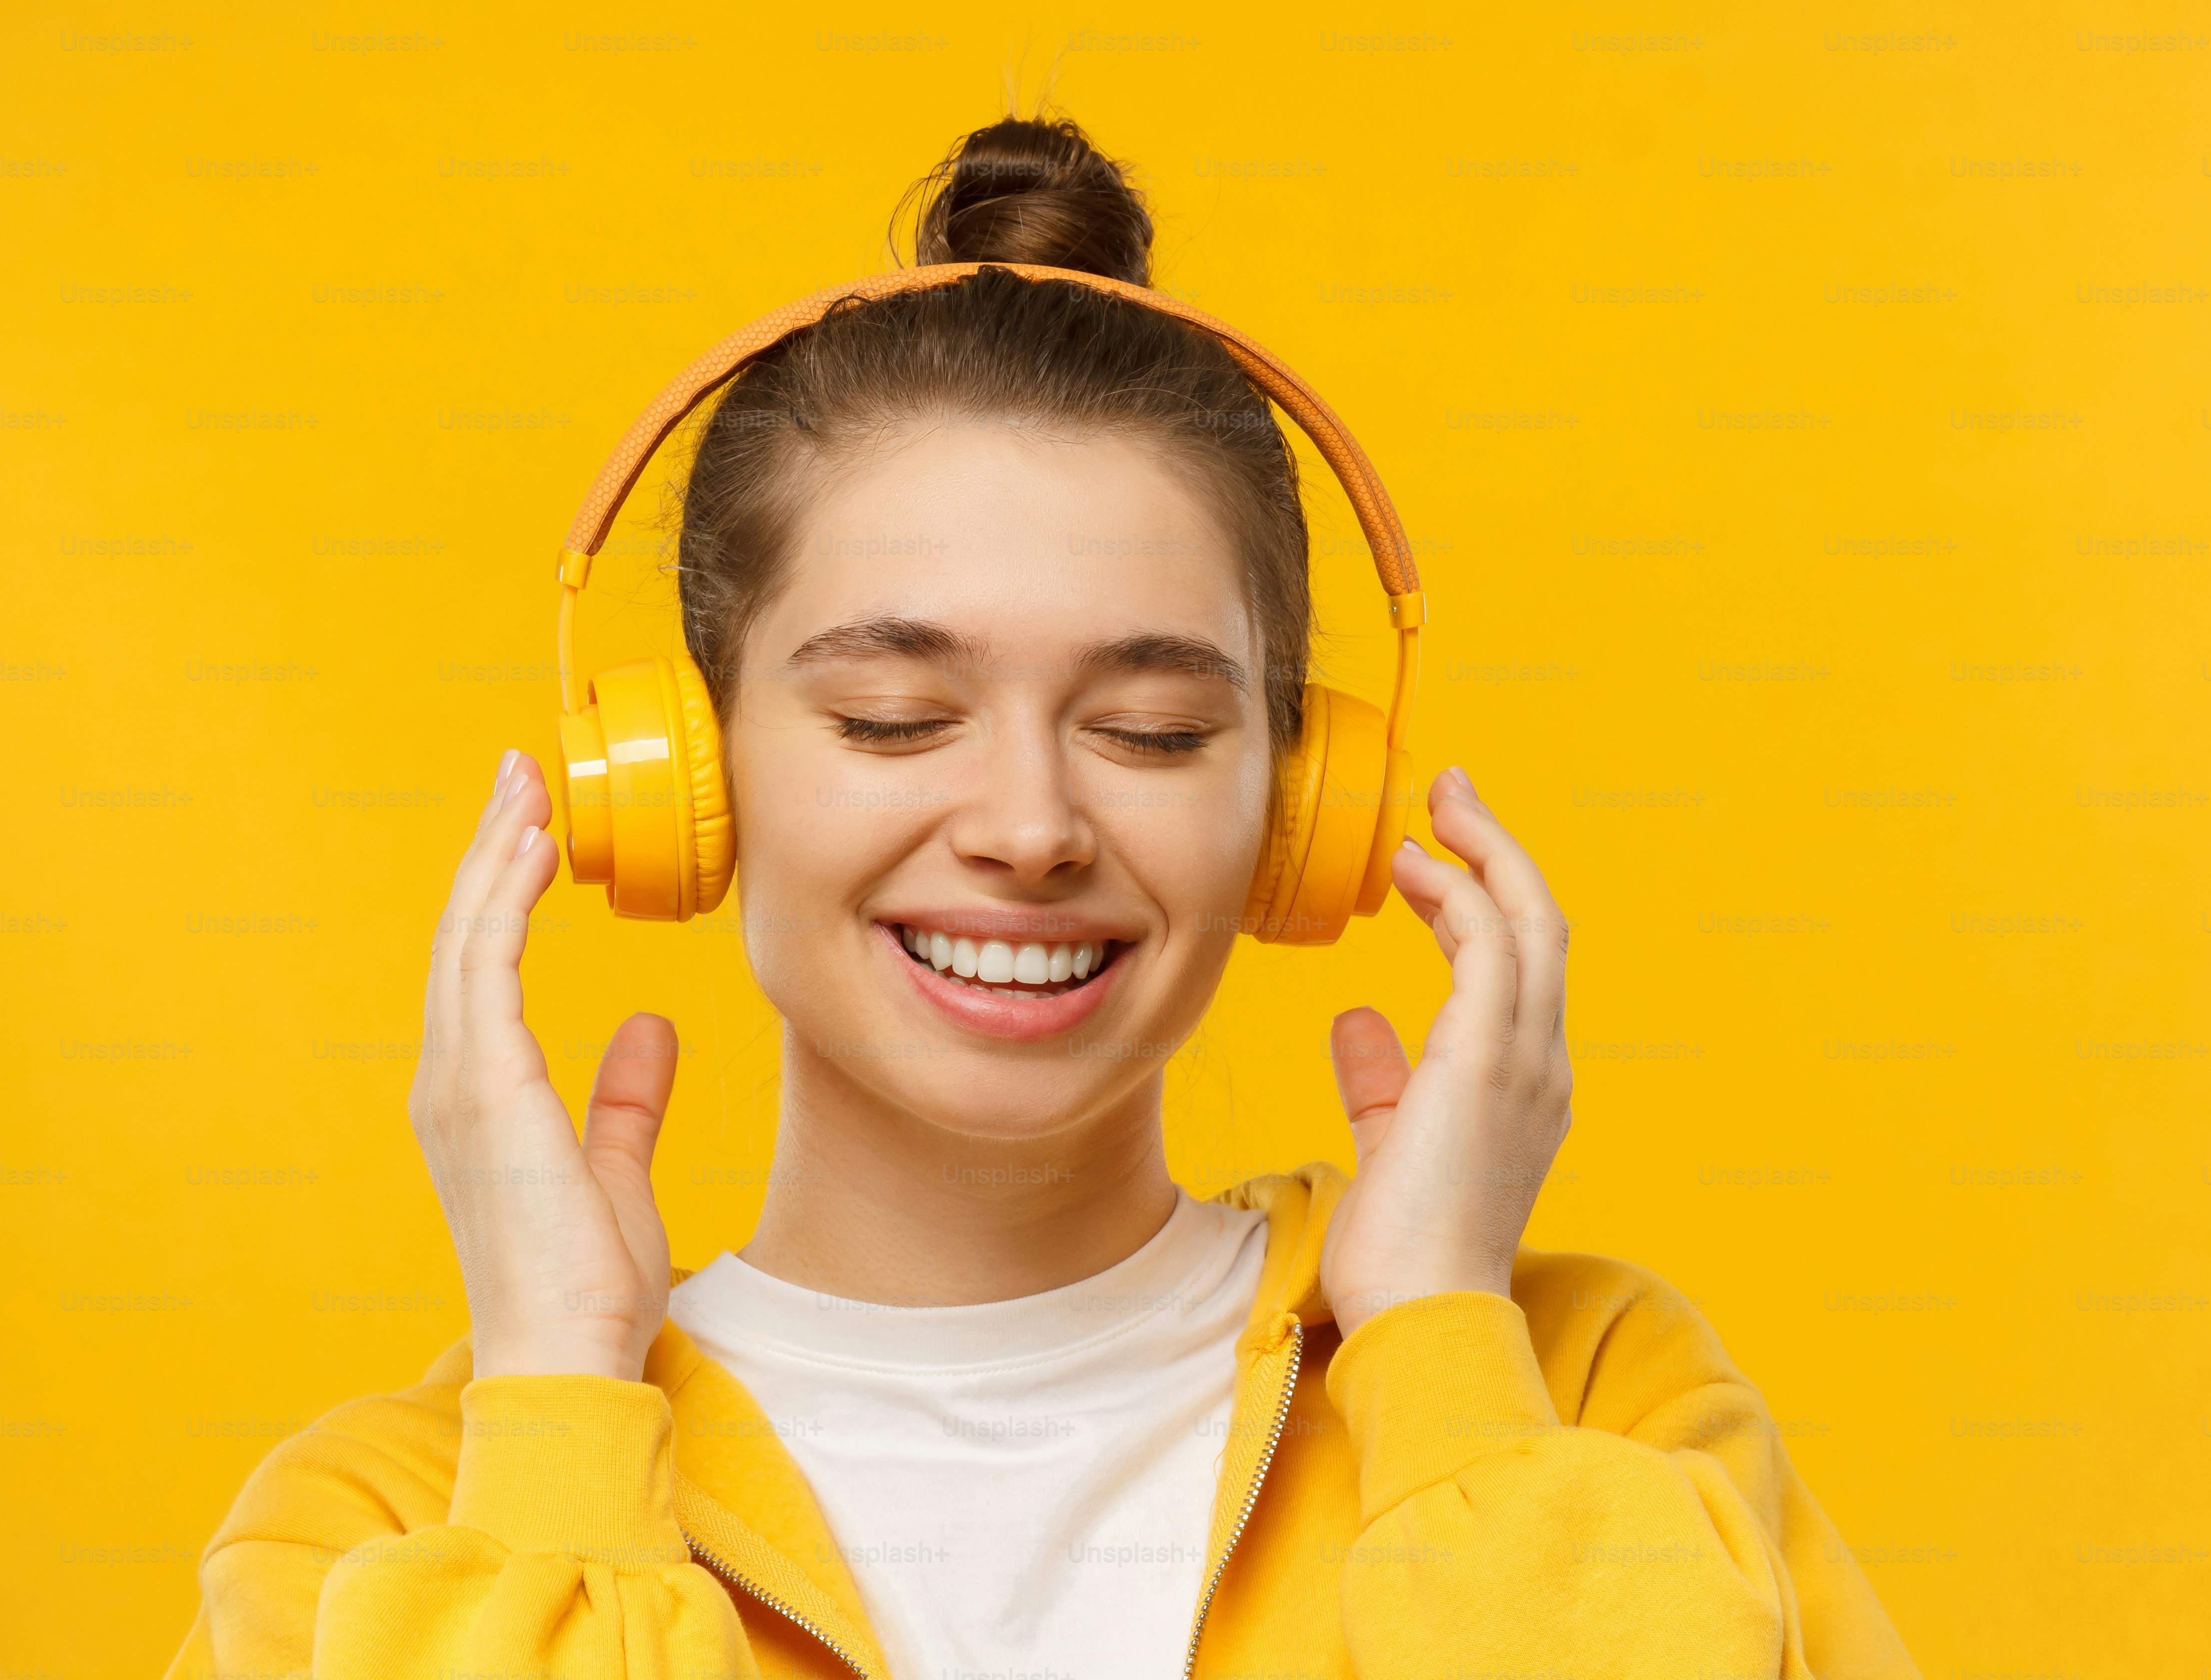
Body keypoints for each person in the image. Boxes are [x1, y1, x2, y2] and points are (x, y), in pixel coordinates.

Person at [167, 113, 1918, 1680]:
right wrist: (552, 1407)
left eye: (1152, 731)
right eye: (893, 719)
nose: (1028, 825)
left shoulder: (1580, 1391)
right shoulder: (391, 1533)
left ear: (1300, 810)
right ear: (684, 782)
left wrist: (1445, 1365)